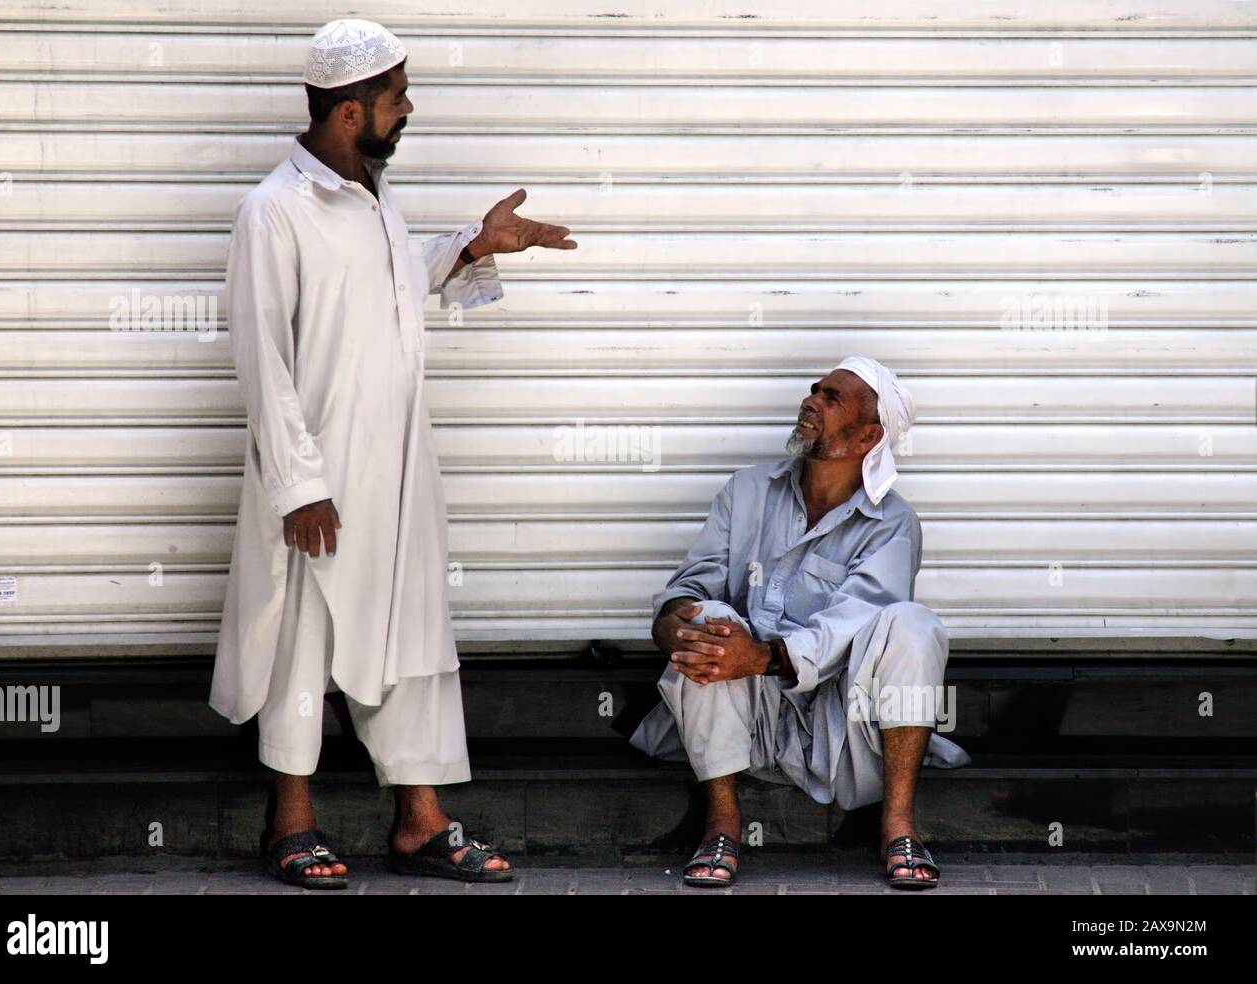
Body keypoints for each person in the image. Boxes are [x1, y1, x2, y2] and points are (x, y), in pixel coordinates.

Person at [210, 18, 576, 888]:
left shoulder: (372, 195)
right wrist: (300, 485)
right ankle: (290, 823)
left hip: (400, 472)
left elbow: (393, 282)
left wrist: (475, 246)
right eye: (396, 96)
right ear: (348, 113)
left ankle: (420, 822)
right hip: (319, 478)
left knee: (413, 639)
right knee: (304, 635)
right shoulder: (274, 212)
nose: (406, 110)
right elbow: (260, 355)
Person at [629, 357, 970, 889]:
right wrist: (672, 626)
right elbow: (686, 591)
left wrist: (763, 655)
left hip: (845, 725)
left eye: (832, 399)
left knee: (914, 625)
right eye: (815, 391)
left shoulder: (893, 523)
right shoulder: (746, 491)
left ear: (868, 436)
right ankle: (720, 823)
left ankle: (899, 826)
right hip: (746, 711)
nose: (811, 402)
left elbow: (858, 617)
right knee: (710, 621)